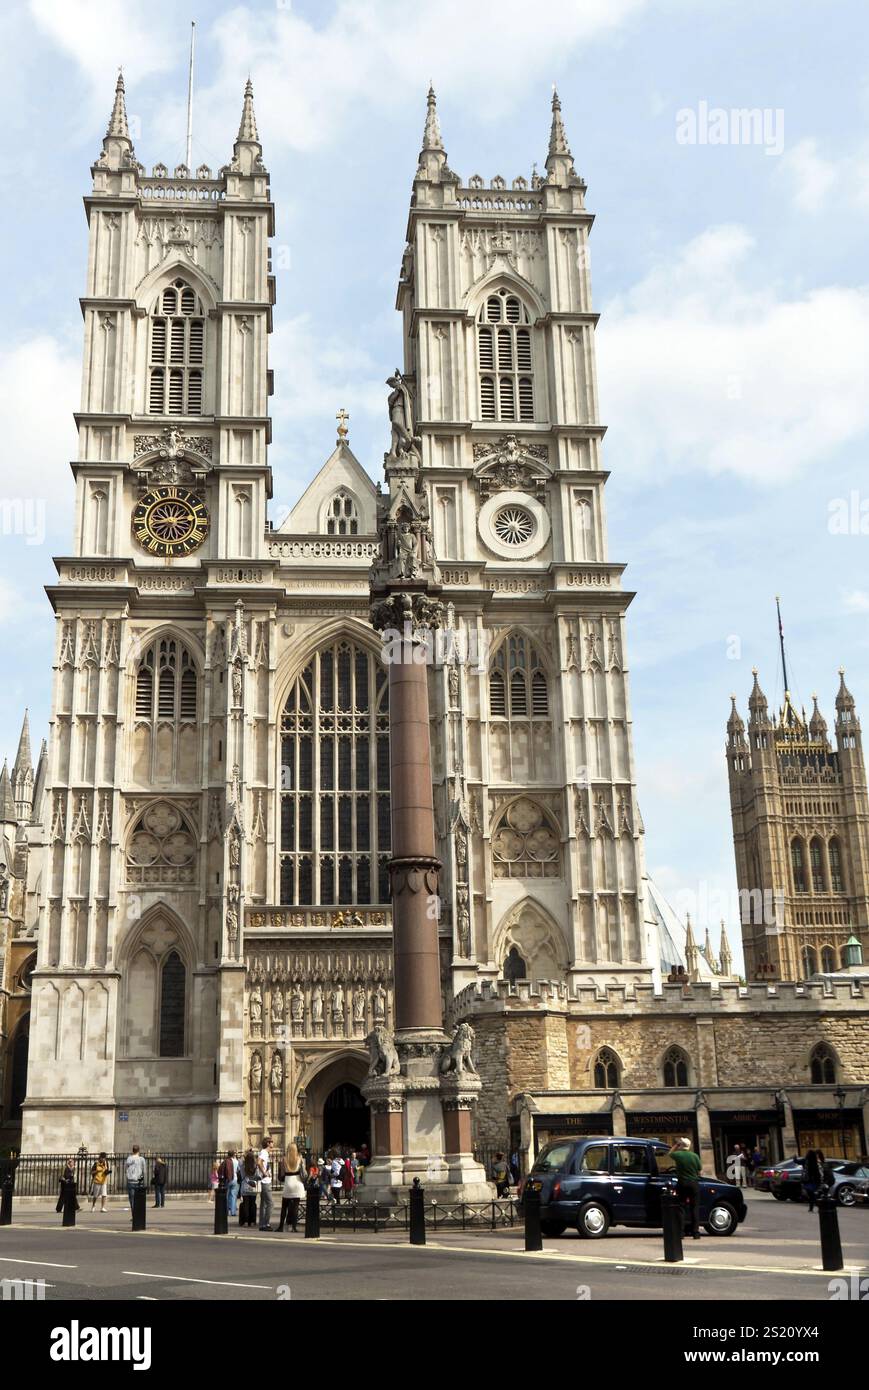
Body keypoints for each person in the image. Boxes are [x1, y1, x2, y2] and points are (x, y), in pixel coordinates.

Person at [669, 1137, 703, 1240]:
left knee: (681, 1207)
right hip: (693, 1183)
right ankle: (695, 1232)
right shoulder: (695, 1156)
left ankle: (681, 1233)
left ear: (682, 1145)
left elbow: (670, 1153)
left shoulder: (678, 1155)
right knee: (694, 1208)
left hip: (682, 1182)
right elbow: (699, 1169)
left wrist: (676, 1145)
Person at [278, 1143, 307, 1232]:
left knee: (284, 1206)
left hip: (288, 1182)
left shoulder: (284, 1159)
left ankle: (281, 1227)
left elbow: (282, 1174)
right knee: (295, 1207)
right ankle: (294, 1227)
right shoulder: (300, 1158)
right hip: (297, 1183)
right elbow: (303, 1171)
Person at [57, 1159, 80, 1227]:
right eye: (71, 1162)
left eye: (72, 1162)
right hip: (65, 1184)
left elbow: (72, 1176)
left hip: (70, 1184)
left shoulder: (72, 1168)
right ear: (69, 1163)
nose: (72, 1163)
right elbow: (62, 1176)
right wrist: (65, 1180)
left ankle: (76, 1207)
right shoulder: (66, 1168)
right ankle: (59, 1208)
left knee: (69, 1197)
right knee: (63, 1197)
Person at [257, 1136, 274, 1230]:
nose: (273, 1143)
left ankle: (262, 1224)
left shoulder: (265, 1153)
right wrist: (264, 1173)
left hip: (265, 1181)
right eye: (271, 1141)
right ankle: (266, 1223)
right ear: (268, 1143)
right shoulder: (264, 1152)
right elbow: (258, 1162)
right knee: (271, 1203)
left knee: (263, 1204)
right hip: (265, 1182)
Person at [239, 1149, 258, 1228]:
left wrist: (244, 1155)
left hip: (245, 1186)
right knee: (253, 1204)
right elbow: (257, 1176)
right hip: (253, 1186)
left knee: (246, 1204)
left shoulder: (243, 1166)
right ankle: (253, 1221)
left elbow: (240, 1161)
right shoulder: (255, 1166)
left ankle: (246, 1221)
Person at [124, 1144, 146, 1212]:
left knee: (132, 1199)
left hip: (130, 1181)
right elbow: (144, 1171)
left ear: (132, 1151)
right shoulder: (142, 1159)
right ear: (138, 1151)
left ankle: (134, 1214)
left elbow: (126, 1168)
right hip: (138, 1181)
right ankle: (138, 1215)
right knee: (139, 1199)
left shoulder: (129, 1158)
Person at [222, 1148, 240, 1217]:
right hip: (235, 1179)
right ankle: (233, 1212)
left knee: (226, 1196)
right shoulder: (236, 1161)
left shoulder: (226, 1161)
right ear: (234, 1155)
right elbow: (238, 1170)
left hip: (228, 1179)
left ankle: (226, 1211)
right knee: (233, 1196)